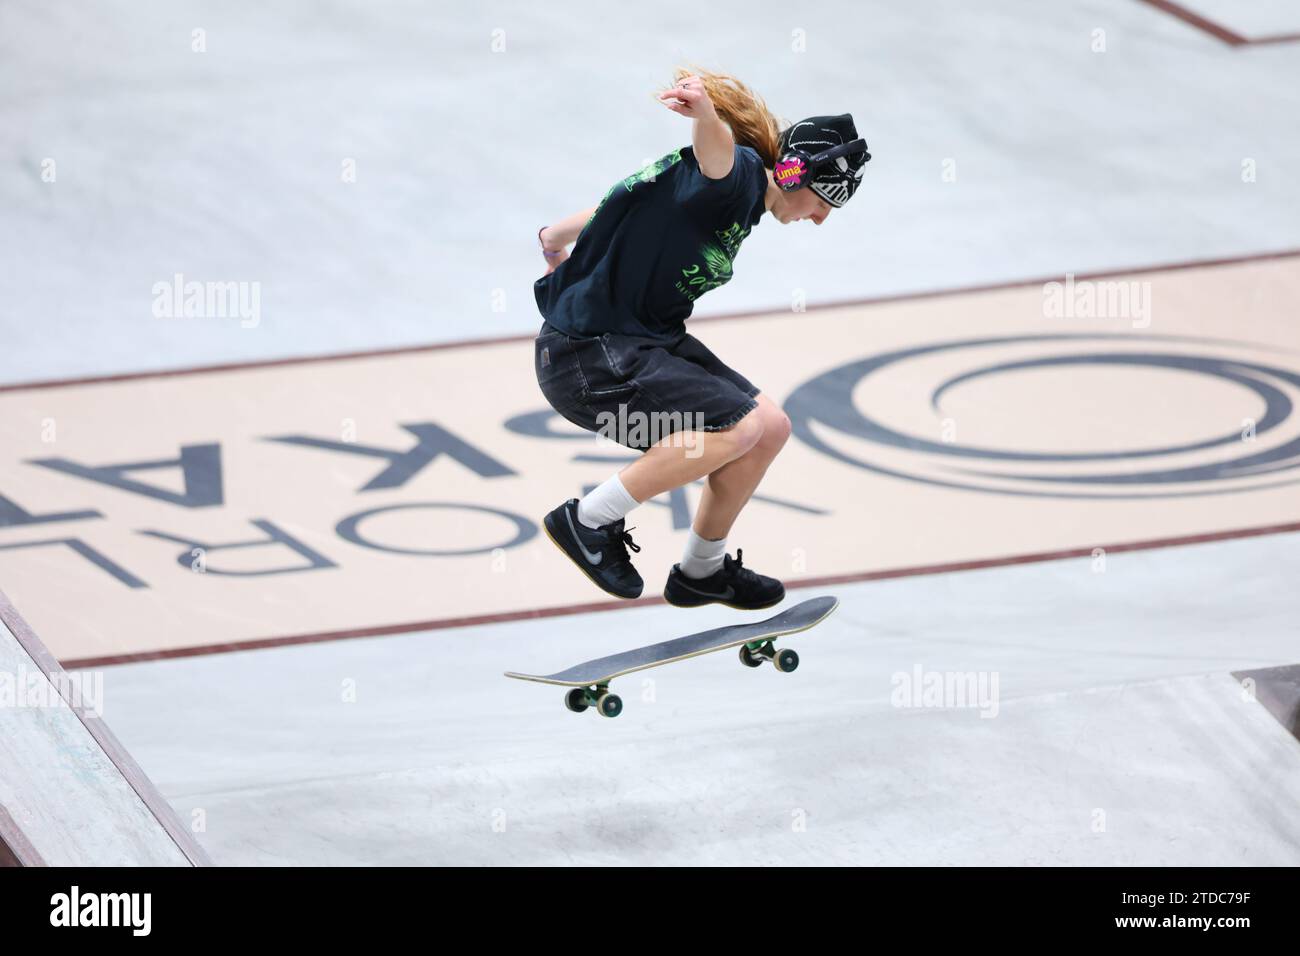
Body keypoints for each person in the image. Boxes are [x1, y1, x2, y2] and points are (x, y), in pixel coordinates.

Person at [533, 67, 868, 610]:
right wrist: (707, 117)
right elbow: (719, 158)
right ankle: (588, 521)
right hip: (590, 358)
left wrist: (555, 237)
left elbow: (627, 202)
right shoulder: (736, 181)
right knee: (733, 429)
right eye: (824, 202)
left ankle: (701, 572)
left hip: (642, 341)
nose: (821, 219)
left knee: (769, 428)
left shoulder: (741, 193)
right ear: (795, 174)